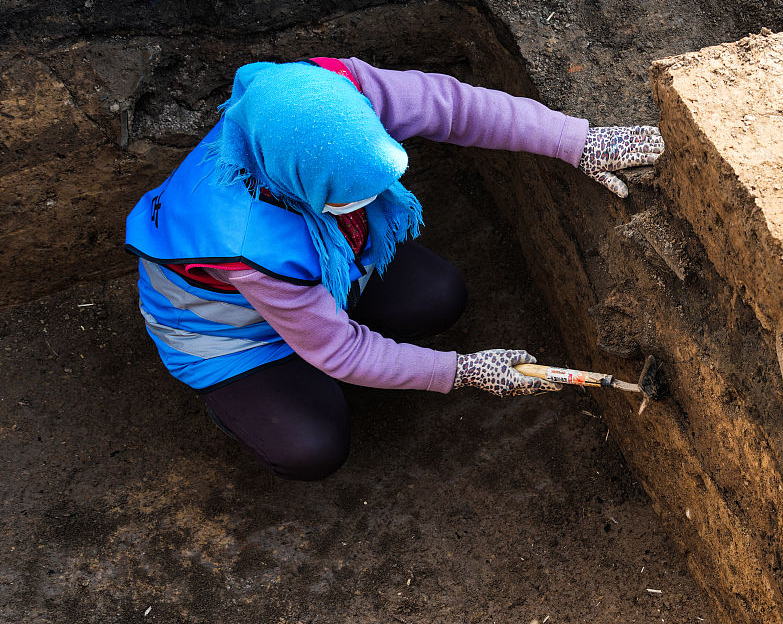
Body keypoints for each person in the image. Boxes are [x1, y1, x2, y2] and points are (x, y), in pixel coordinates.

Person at [124, 57, 663, 481]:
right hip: (231, 334)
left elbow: (459, 108)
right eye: (347, 200)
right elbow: (339, 350)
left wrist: (580, 141)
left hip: (325, 275)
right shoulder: (246, 241)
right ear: (299, 190)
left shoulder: (334, 94)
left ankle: (331, 337)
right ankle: (247, 401)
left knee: (438, 296)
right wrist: (461, 372)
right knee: (313, 448)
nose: (373, 202)